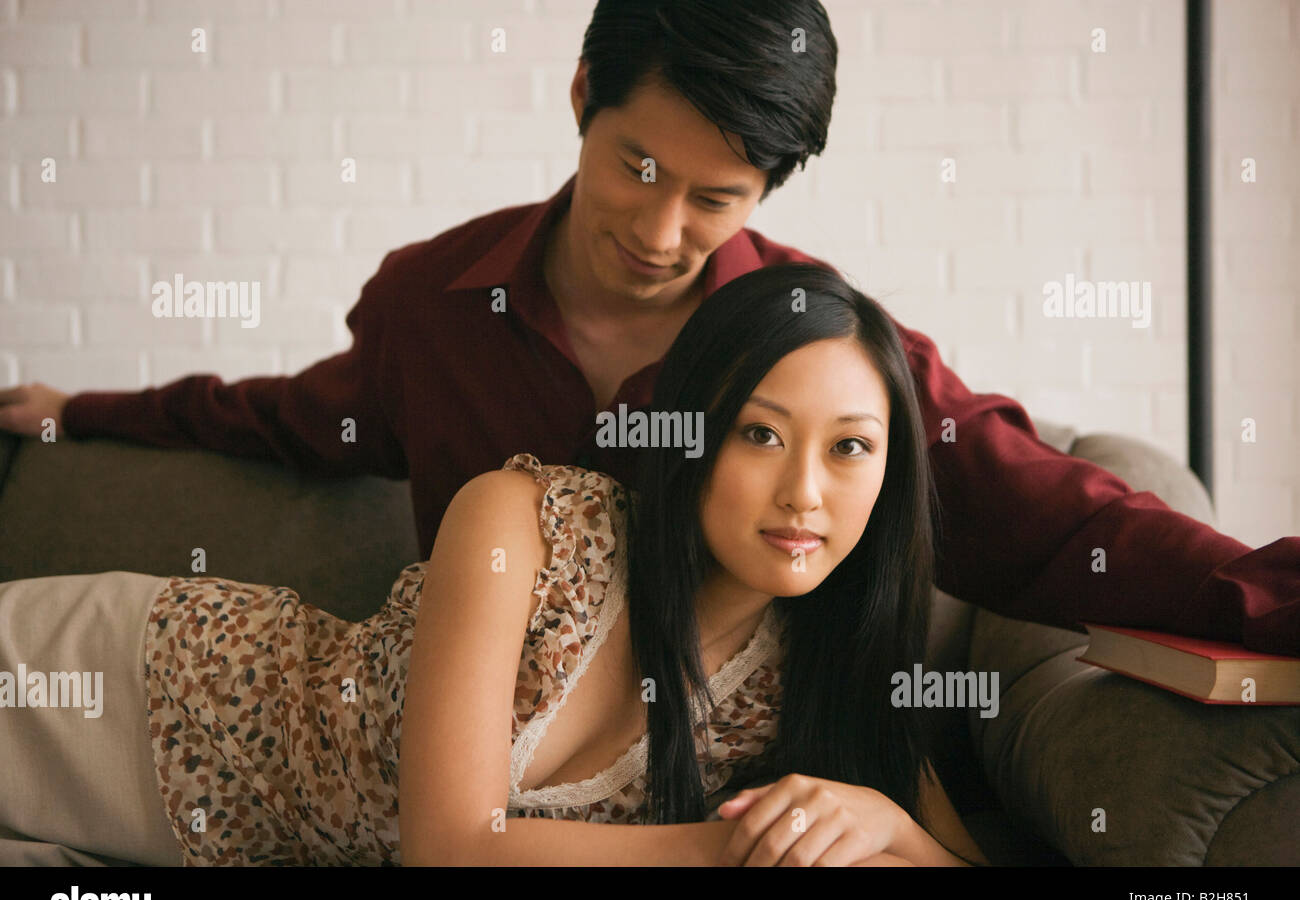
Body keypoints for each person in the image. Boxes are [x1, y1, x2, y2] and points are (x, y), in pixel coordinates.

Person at [0, 6, 1294, 665]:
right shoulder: (429, 301)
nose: (662, 229)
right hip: (474, 742)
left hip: (717, 767)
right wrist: (82, 412)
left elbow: (1052, 511)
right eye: (636, 166)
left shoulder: (814, 337)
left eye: (715, 197)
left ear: (769, 192)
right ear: (581, 97)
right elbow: (291, 415)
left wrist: (1275, 596)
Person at [0, 263, 988, 866]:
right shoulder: (526, 521)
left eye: (850, 447)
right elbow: (452, 846)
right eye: (761, 435)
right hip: (121, 688)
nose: (805, 494)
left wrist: (883, 824)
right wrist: (730, 847)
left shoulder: (826, 680)